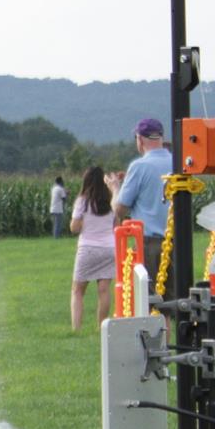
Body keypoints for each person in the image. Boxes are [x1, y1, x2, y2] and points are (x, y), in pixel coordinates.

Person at [114, 117, 174, 285]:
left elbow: (120, 209)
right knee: (174, 300)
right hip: (177, 242)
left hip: (149, 244)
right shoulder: (177, 163)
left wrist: (115, 189)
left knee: (148, 301)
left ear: (140, 139)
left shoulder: (139, 166)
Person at [69, 164, 117, 331]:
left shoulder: (83, 200)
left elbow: (74, 228)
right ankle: (102, 328)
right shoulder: (111, 199)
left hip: (88, 248)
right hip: (110, 248)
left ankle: (76, 328)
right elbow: (116, 223)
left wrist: (82, 222)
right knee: (104, 290)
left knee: (77, 291)